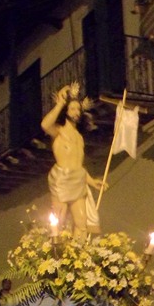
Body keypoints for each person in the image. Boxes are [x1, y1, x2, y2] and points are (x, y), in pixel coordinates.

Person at [41, 83, 103, 238]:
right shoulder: (58, 131)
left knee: (82, 223)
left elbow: (79, 164)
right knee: (59, 220)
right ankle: (56, 257)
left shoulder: (79, 137)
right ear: (66, 111)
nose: (77, 112)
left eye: (78, 109)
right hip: (62, 179)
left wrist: (91, 181)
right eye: (73, 109)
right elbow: (45, 124)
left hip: (78, 179)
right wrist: (60, 103)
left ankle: (78, 257)